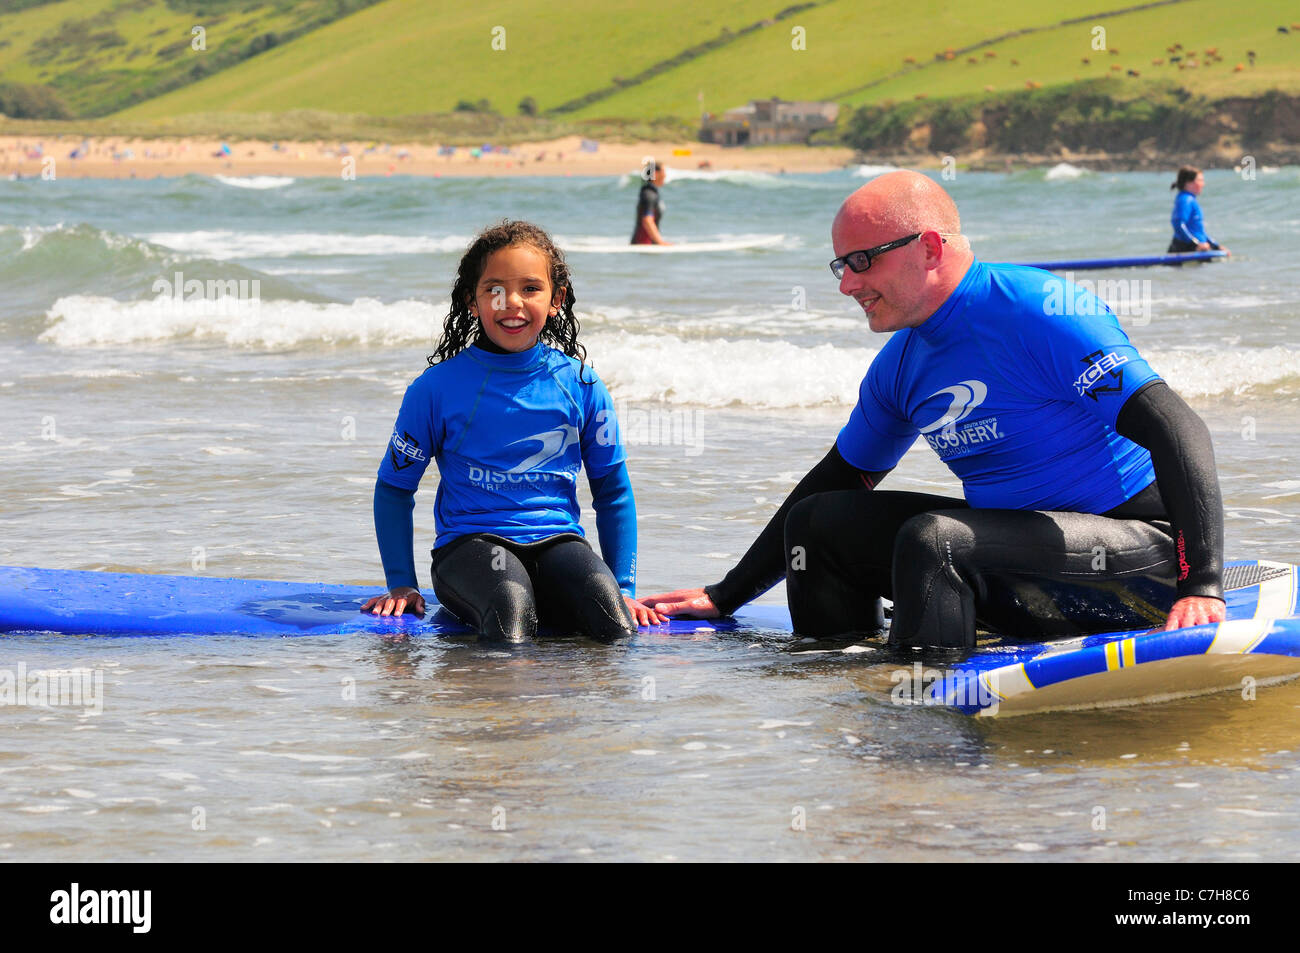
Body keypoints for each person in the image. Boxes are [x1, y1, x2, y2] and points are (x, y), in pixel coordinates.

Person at [643, 171, 1226, 648]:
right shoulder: (901, 363)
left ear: (927, 247)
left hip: (1134, 557)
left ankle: (925, 722)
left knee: (935, 540)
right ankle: (842, 681)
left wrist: (1201, 583)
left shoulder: (1040, 311)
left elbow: (1179, 430)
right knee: (818, 524)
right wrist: (727, 594)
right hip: (1020, 561)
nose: (847, 284)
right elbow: (841, 476)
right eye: (839, 264)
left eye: (862, 260)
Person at [363, 220, 666, 639]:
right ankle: (495, 705)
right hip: (469, 547)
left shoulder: (581, 385)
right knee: (510, 604)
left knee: (611, 614)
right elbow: (394, 487)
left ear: (556, 298)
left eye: (530, 288)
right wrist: (401, 583)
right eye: (495, 290)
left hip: (559, 544)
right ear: (472, 300)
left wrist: (625, 588)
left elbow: (613, 491)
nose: (513, 303)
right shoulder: (435, 390)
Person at [1168, 166, 1230, 255]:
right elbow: (1178, 224)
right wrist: (1195, 244)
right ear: (1188, 183)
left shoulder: (1190, 199)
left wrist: (1216, 246)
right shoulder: (1185, 200)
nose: (1203, 184)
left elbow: (1199, 232)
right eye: (1200, 180)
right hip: (1185, 248)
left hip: (1197, 248)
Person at [631, 161, 669, 245]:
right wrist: (661, 242)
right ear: (655, 174)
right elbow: (647, 220)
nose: (665, 175)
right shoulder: (649, 195)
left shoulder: (649, 192)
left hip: (646, 245)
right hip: (643, 245)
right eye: (664, 172)